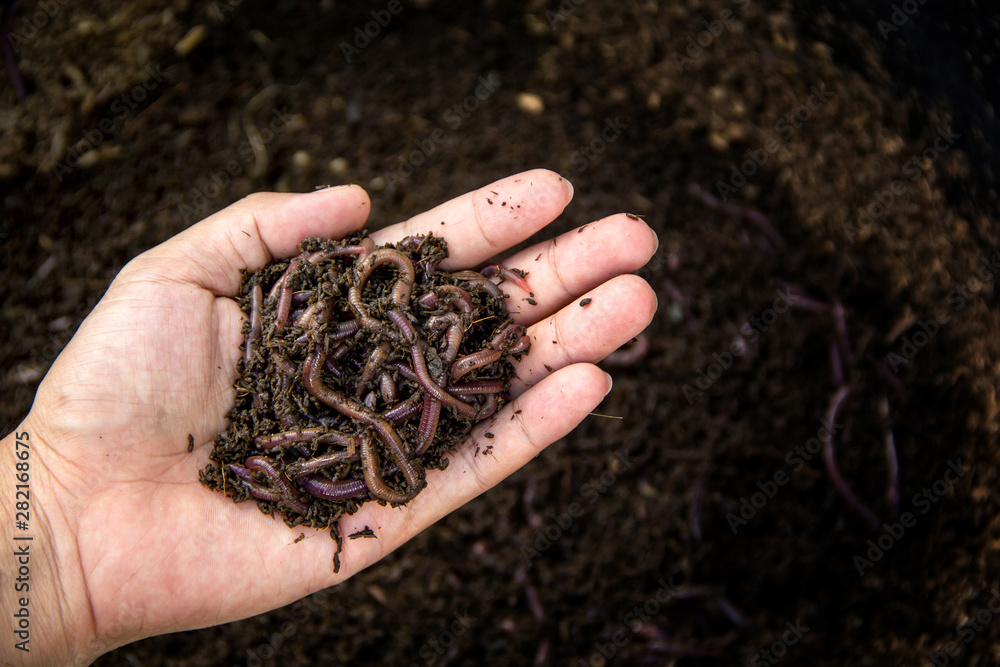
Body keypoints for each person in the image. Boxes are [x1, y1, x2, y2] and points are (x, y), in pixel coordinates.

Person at [0, 169, 658, 666]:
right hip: (337, 417)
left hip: (369, 402)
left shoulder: (388, 343)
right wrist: (52, 525)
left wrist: (57, 526)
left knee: (412, 393)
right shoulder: (302, 392)